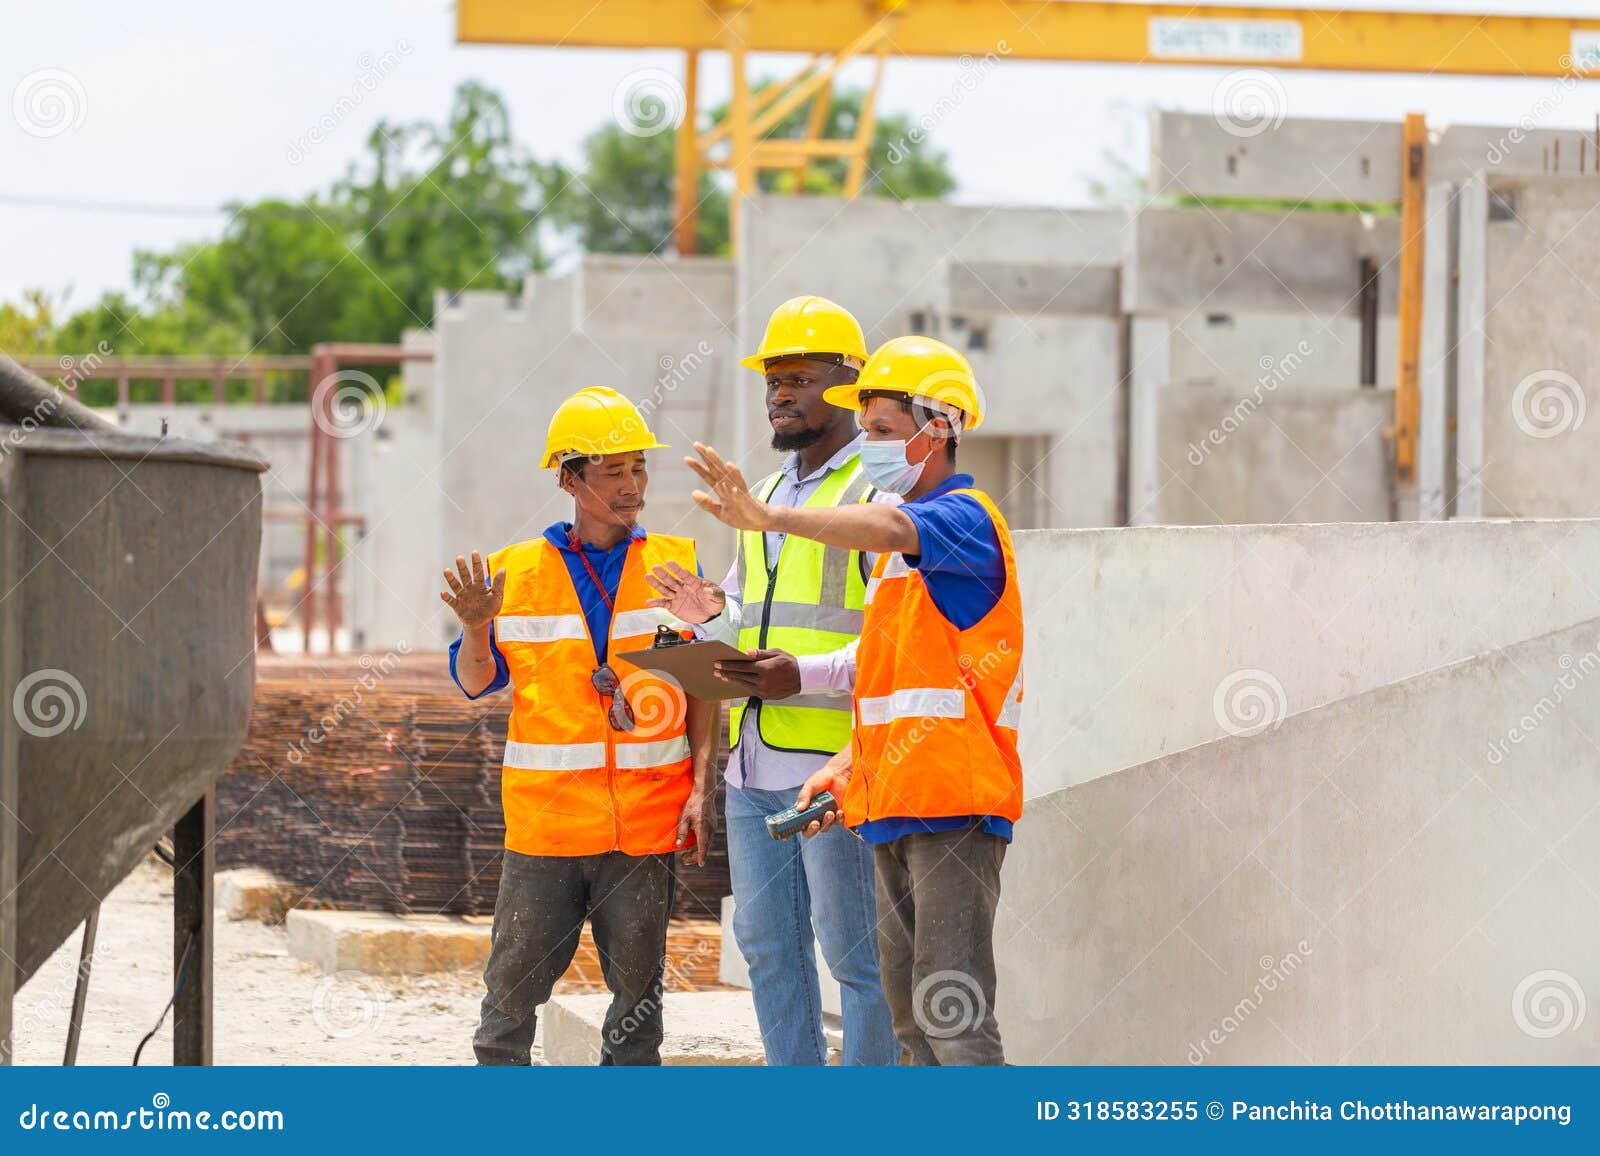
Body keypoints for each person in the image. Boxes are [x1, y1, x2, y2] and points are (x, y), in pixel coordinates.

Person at [683, 336, 1024, 1066]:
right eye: (864, 430)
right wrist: (848, 764)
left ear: (939, 431)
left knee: (953, 1016)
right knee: (910, 1020)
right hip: (893, 800)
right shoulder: (897, 562)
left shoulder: (962, 522)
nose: (867, 449)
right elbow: (881, 678)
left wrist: (770, 519)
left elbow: (898, 526)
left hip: (955, 806)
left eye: (881, 433)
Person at [643, 296, 899, 1066]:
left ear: (848, 387)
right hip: (755, 768)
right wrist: (706, 614)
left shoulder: (874, 497)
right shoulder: (769, 493)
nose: (780, 394)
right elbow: (749, 612)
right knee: (766, 945)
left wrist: (800, 682)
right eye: (772, 380)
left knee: (856, 958)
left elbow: (889, 647)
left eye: (800, 378)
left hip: (833, 769)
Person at [440, 386, 716, 1066]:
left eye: (638, 469)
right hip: (548, 828)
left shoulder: (672, 565)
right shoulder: (518, 575)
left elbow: (706, 685)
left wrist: (703, 786)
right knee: (508, 1004)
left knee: (637, 1013)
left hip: (644, 824)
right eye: (612, 471)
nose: (632, 486)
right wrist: (477, 627)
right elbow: (477, 681)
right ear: (569, 479)